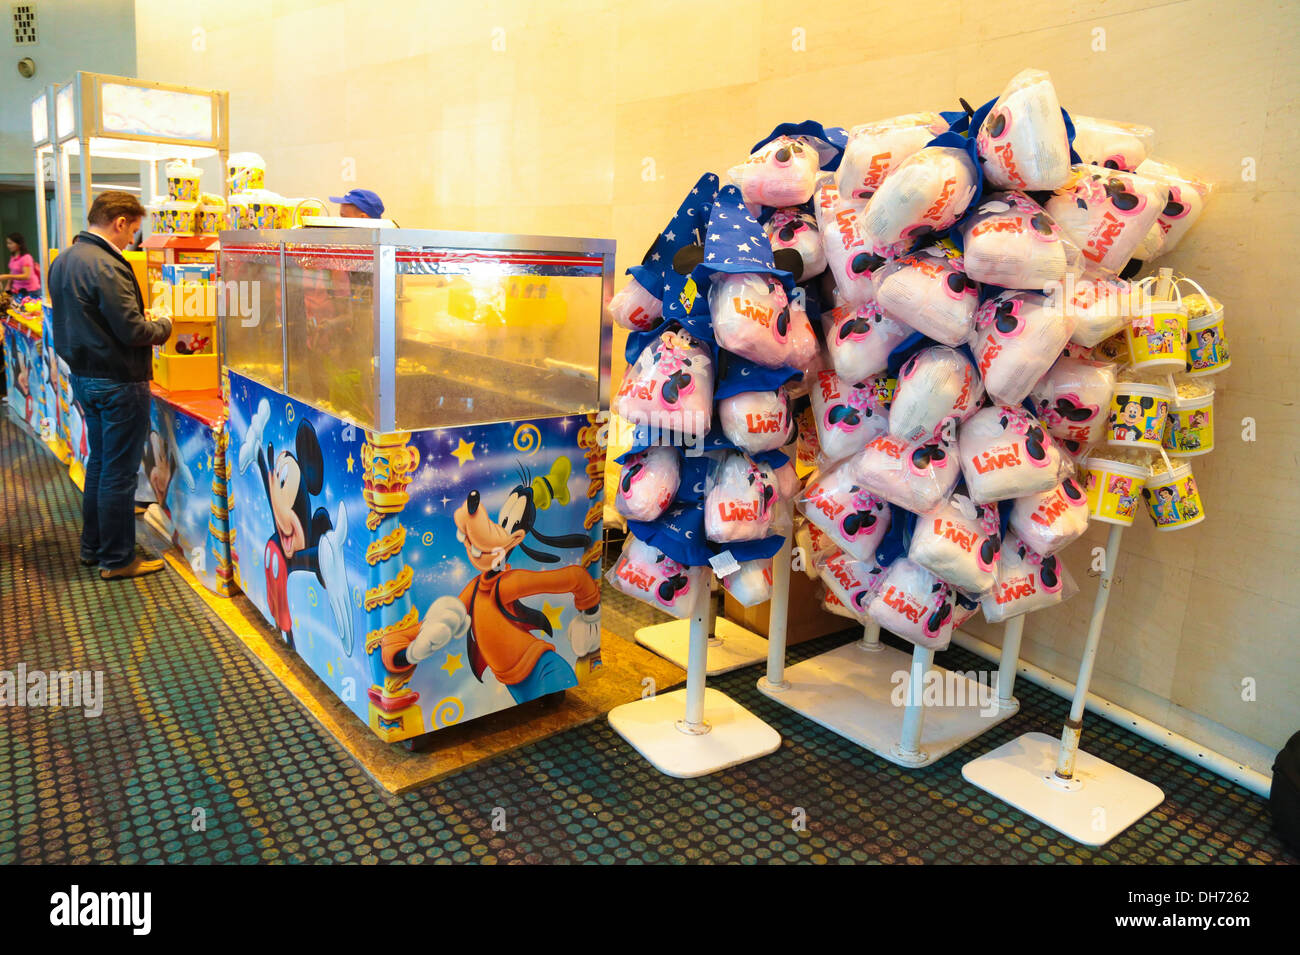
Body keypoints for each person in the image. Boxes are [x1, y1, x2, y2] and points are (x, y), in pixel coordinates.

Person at [48, 191, 173, 579]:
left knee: (100, 466)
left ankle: (94, 547)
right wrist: (163, 324)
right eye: (132, 232)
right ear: (120, 222)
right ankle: (117, 559)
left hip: (85, 377)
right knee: (119, 474)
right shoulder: (107, 263)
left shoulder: (64, 259)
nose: (131, 240)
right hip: (118, 380)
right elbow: (133, 329)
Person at [1, 232, 41, 301]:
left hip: (31, 291)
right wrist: (8, 285)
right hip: (17, 291)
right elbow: (12, 271)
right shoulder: (13, 257)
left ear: (19, 244)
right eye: (7, 243)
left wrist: (6, 276)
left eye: (11, 243)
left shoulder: (26, 257)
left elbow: (26, 276)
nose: (8, 246)